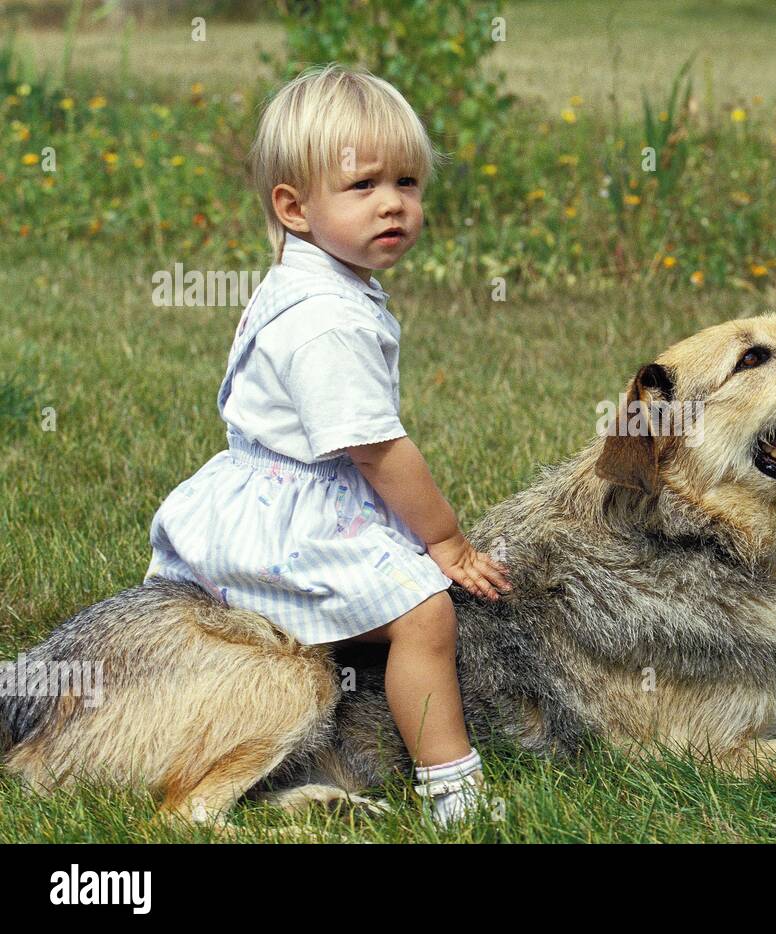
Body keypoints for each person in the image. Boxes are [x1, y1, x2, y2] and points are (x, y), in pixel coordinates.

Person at [144, 63, 510, 826]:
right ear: (295, 207)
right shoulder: (327, 320)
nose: (394, 204)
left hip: (260, 496)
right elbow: (378, 450)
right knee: (423, 614)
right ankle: (453, 790)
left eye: (408, 183)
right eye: (363, 185)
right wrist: (443, 540)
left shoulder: (311, 280)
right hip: (286, 521)